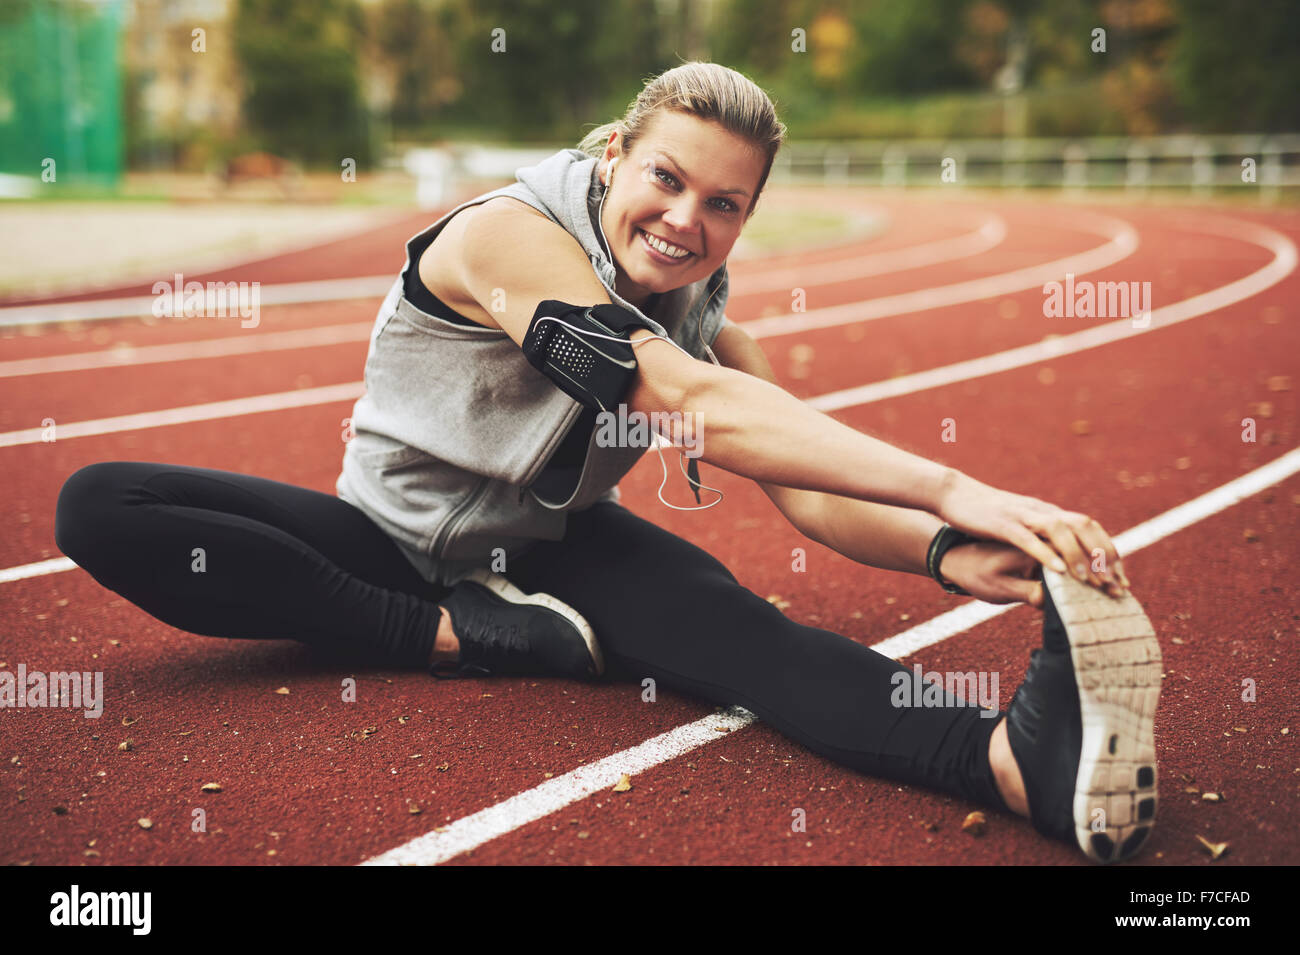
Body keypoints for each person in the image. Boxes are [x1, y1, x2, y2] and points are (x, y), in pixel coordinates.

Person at [54, 62, 1159, 863]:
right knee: (101, 504)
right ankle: (454, 636)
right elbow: (668, 395)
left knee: (748, 637)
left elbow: (808, 484)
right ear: (613, 154)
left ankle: (1021, 767)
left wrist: (940, 545)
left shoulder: (700, 305)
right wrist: (956, 482)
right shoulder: (503, 238)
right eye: (667, 180)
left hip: (556, 546)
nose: (686, 221)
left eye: (725, 205)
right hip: (392, 543)